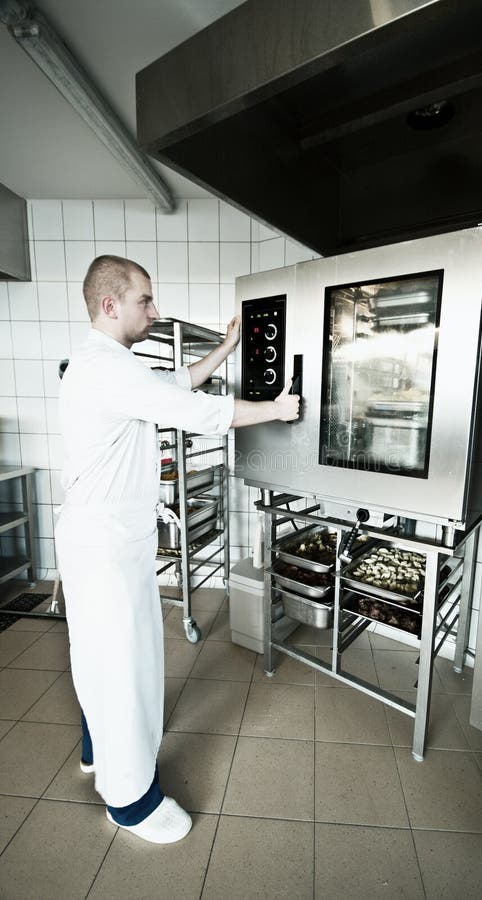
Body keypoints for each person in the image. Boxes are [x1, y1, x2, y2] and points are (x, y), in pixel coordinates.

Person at [55, 255, 299, 845]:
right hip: (107, 545)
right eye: (145, 301)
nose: (155, 312)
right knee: (126, 663)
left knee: (97, 656)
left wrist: (229, 347)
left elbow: (178, 383)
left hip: (99, 538)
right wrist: (276, 409)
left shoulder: (107, 363)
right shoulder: (105, 370)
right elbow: (197, 410)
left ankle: (97, 748)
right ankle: (130, 799)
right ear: (109, 304)